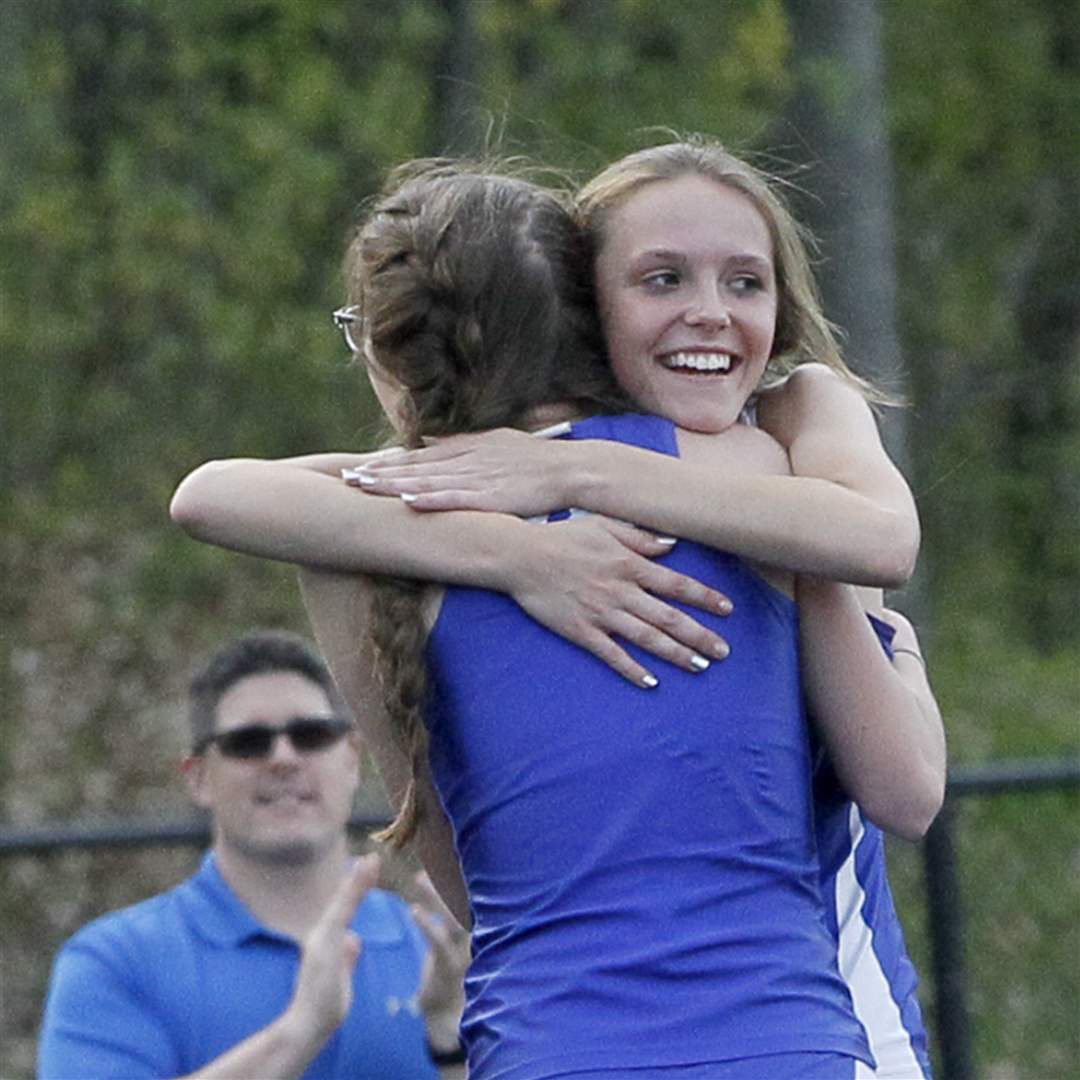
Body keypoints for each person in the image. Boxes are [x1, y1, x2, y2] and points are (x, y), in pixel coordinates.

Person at [170, 155, 942, 1077]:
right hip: (790, 1042)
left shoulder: (364, 543)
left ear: (388, 353)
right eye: (664, 279)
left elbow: (466, 884)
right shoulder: (770, 473)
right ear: (588, 313)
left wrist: (529, 515)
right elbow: (906, 779)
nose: (708, 308)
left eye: (744, 280)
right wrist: (521, 552)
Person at [37, 630, 468, 1080]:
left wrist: (451, 1038)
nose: (283, 758)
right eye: (248, 742)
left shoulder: (439, 954)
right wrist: (299, 1032)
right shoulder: (114, 962)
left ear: (353, 758)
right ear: (198, 776)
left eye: (312, 734)